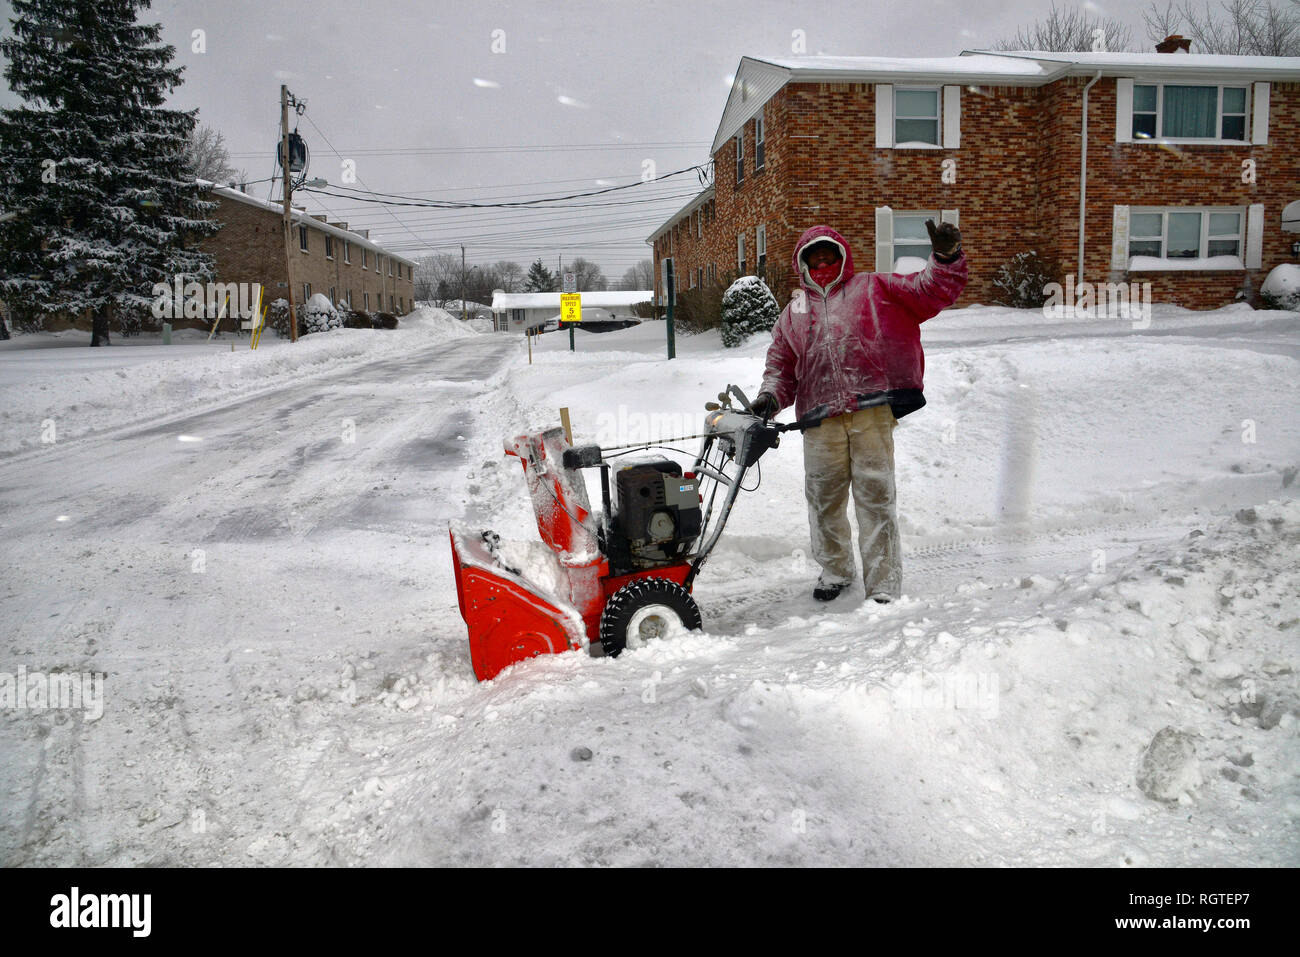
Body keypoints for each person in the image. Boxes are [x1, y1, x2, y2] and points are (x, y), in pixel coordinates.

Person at [751, 220, 967, 603]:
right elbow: (781, 366)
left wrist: (946, 258)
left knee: (875, 497)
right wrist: (769, 397)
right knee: (823, 500)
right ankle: (836, 570)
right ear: (802, 262)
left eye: (827, 254)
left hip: (870, 410)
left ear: (841, 255)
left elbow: (928, 290)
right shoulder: (794, 311)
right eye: (812, 256)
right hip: (819, 419)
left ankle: (883, 583)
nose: (821, 262)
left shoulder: (873, 287)